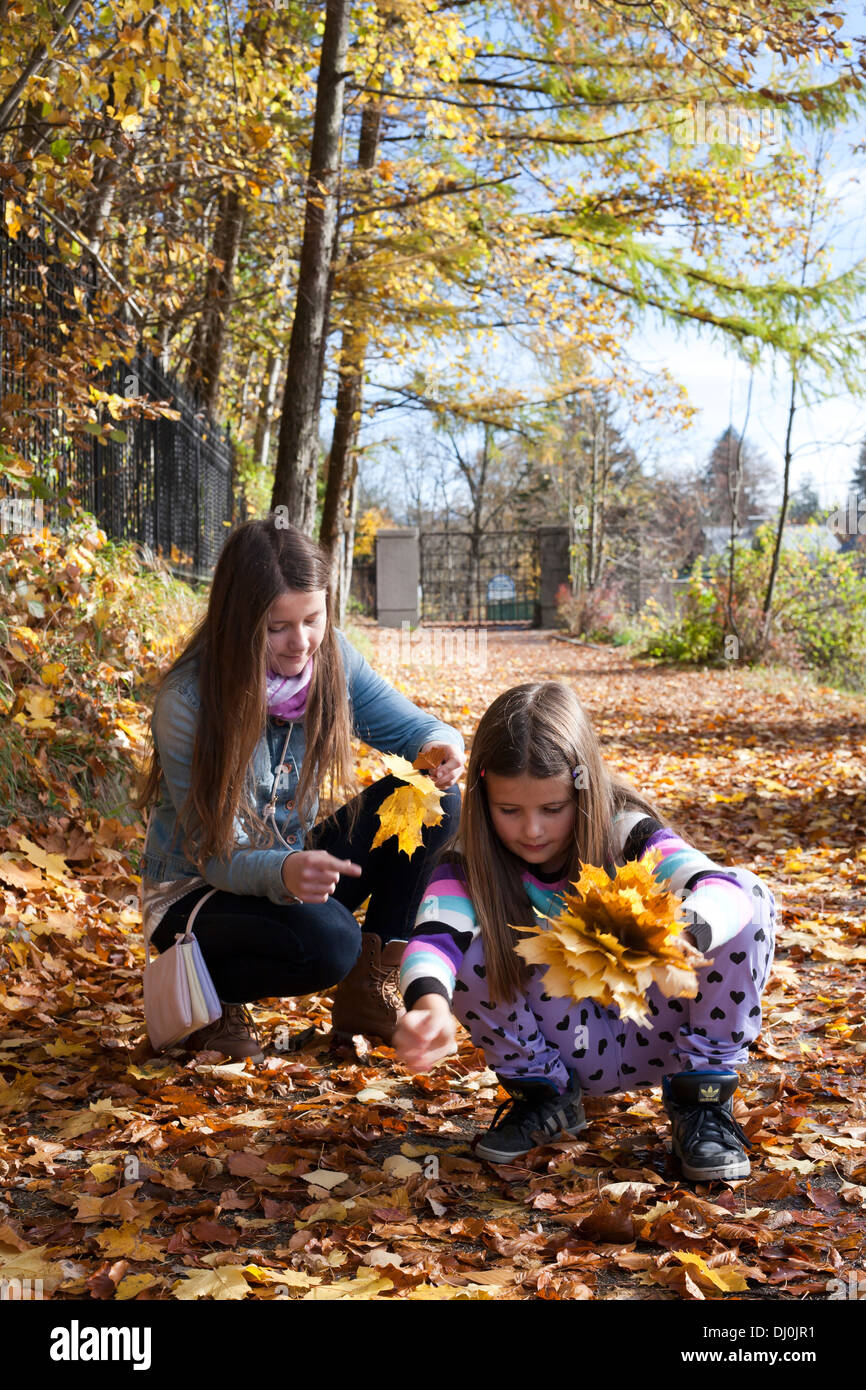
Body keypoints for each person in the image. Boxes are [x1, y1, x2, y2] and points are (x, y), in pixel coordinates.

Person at [393, 681, 776, 1184]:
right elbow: (434, 937)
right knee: (470, 942)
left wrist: (691, 929)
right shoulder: (469, 865)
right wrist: (429, 1006)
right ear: (483, 798)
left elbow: (720, 887)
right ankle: (545, 1100)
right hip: (554, 1045)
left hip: (655, 1026)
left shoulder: (624, 832)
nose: (532, 830)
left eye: (552, 809)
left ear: (584, 789)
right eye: (510, 811)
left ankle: (702, 1101)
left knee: (751, 896)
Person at [134, 517, 465, 1060]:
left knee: (434, 800)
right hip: (197, 892)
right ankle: (215, 996)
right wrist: (284, 872)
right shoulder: (189, 701)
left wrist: (441, 744)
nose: (301, 642)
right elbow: (215, 853)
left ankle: (367, 990)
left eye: (313, 619)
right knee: (332, 941)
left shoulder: (329, 657)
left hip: (288, 860)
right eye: (276, 627)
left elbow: (412, 728)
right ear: (240, 621)